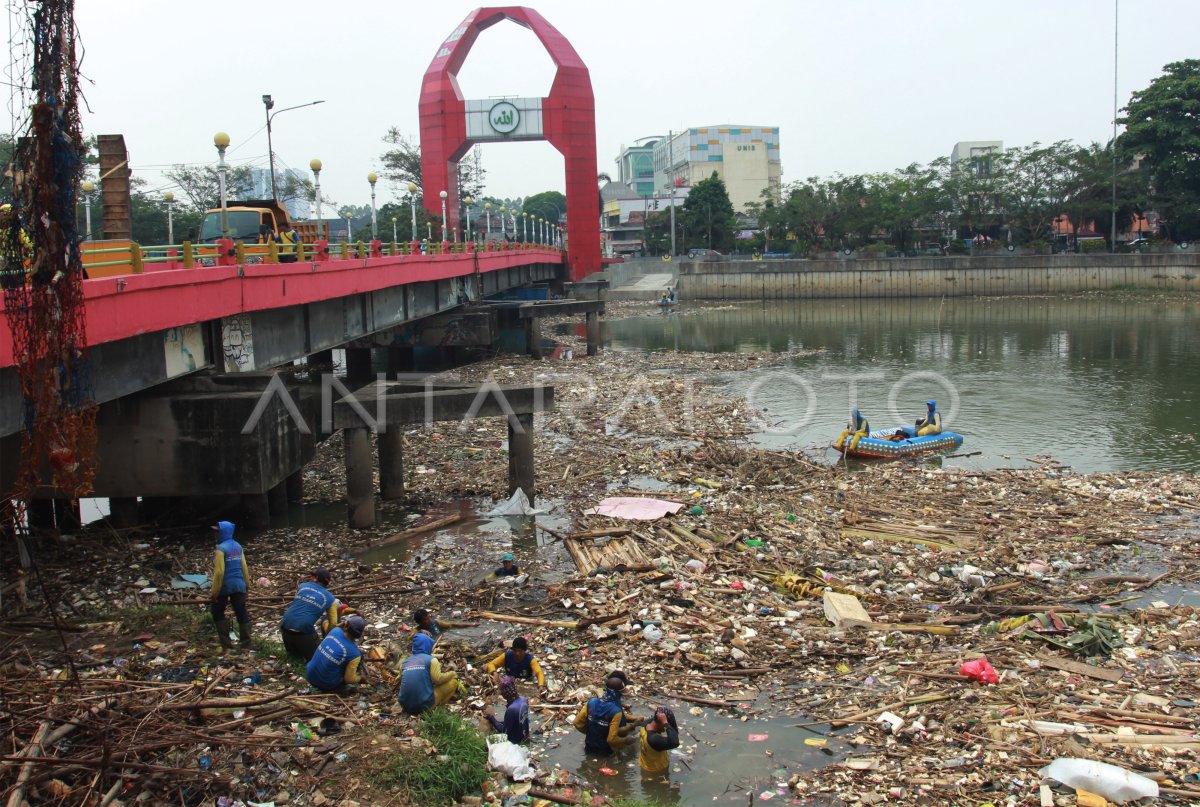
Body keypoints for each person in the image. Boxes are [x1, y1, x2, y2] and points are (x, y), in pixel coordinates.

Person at [279, 567, 338, 661]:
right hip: (303, 630)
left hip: (284, 625)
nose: (311, 578)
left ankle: (294, 658)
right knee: (319, 659)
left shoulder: (303, 586)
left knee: (294, 658)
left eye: (313, 576)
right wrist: (328, 634)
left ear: (316, 578)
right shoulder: (331, 599)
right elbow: (334, 622)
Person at [209, 521, 251, 650]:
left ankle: (226, 644)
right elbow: (244, 567)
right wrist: (247, 585)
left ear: (223, 532)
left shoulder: (220, 549)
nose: (215, 534)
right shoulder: (238, 546)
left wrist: (214, 593)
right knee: (241, 612)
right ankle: (246, 643)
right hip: (239, 585)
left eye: (217, 532)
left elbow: (219, 572)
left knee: (217, 611)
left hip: (225, 585)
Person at [573, 673, 638, 755]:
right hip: (605, 750)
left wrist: (590, 732)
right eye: (621, 693)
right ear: (616, 693)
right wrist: (626, 740)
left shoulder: (591, 702)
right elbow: (611, 739)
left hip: (589, 745)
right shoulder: (616, 711)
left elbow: (577, 723)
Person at [397, 632, 459, 715]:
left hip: (405, 707)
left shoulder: (405, 663)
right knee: (453, 682)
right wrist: (452, 673)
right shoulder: (431, 659)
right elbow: (438, 679)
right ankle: (437, 710)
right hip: (424, 706)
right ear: (427, 645)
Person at [305, 615, 367, 692]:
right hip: (325, 685)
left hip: (308, 674)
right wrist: (360, 679)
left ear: (346, 626)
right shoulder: (354, 654)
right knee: (354, 659)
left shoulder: (335, 631)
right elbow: (349, 679)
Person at [484, 675, 530, 744]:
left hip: (515, 742)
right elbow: (517, 720)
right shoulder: (524, 700)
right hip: (525, 737)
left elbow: (504, 731)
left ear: (505, 694)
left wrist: (491, 718)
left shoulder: (511, 709)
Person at [638, 706, 680, 774]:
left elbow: (654, 718)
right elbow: (675, 742)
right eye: (664, 727)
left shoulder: (644, 724)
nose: (664, 730)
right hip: (656, 771)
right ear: (661, 722)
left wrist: (662, 719)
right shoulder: (654, 740)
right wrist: (666, 724)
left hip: (644, 764)